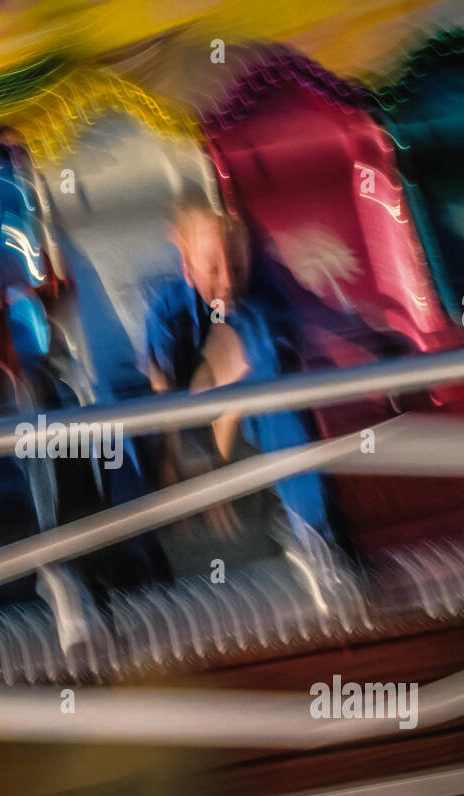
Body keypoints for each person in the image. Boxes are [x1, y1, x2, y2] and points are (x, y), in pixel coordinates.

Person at [141, 191, 333, 548]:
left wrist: (216, 467)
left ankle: (315, 532)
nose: (228, 282)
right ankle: (137, 559)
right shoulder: (167, 308)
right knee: (130, 446)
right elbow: (161, 384)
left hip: (244, 407)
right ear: (186, 261)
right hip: (195, 403)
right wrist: (173, 453)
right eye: (213, 269)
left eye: (239, 267)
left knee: (278, 398)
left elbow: (235, 380)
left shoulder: (257, 305)